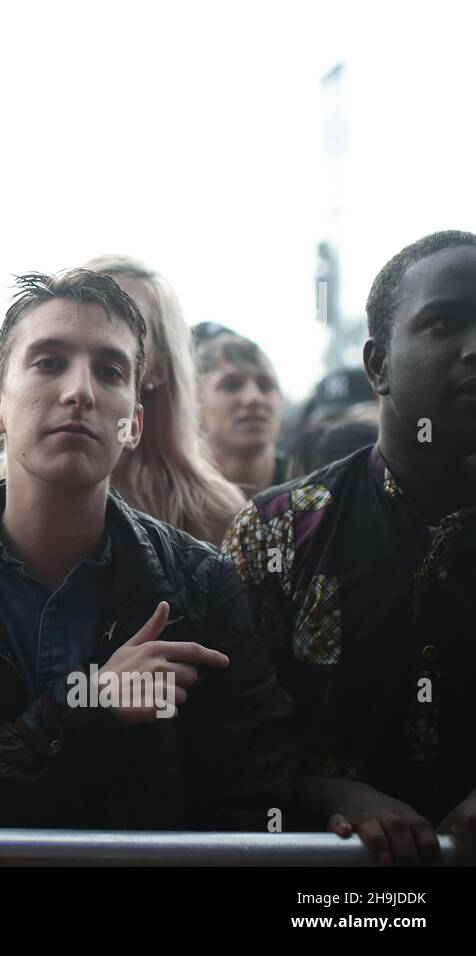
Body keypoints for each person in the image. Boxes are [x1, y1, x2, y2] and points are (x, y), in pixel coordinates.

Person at [0, 268, 295, 828]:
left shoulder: (204, 588)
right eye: (49, 362)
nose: (79, 391)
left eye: (109, 371)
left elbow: (254, 807)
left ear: (133, 423)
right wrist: (87, 709)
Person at [223, 230, 476, 866]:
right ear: (378, 364)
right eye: (444, 323)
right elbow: (228, 737)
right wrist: (330, 794)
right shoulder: (277, 530)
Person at [83, 255, 245, 544]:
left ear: (159, 367)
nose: (98, 331)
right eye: (84, 311)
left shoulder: (213, 512)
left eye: (127, 319)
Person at [196, 332, 285, 497]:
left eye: (265, 385)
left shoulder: (314, 488)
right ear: (197, 404)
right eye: (232, 385)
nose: (254, 398)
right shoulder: (168, 499)